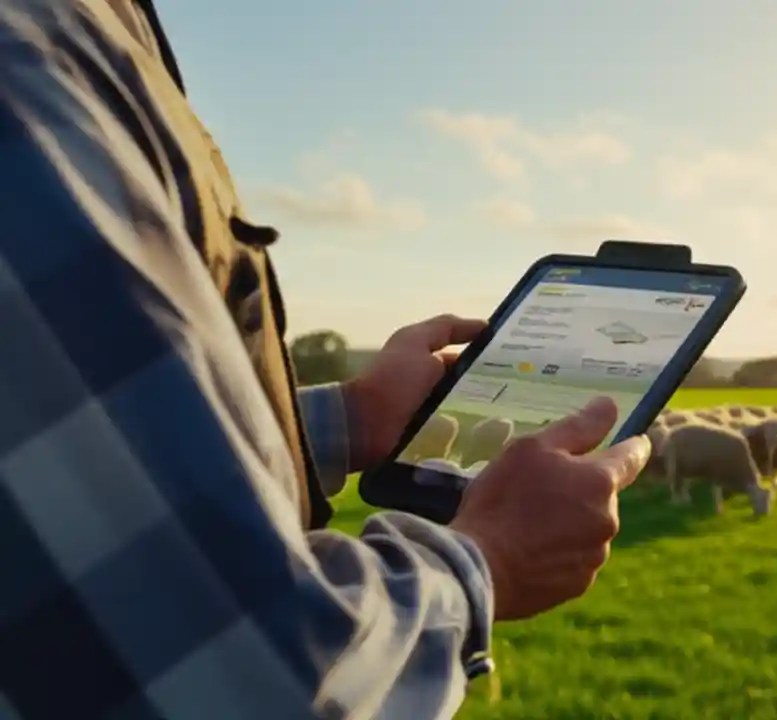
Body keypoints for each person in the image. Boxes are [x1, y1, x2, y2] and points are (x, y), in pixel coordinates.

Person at [0, 1, 650, 718]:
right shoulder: (30, 58)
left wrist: (348, 418)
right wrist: (490, 562)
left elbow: (67, 448)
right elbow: (236, 681)